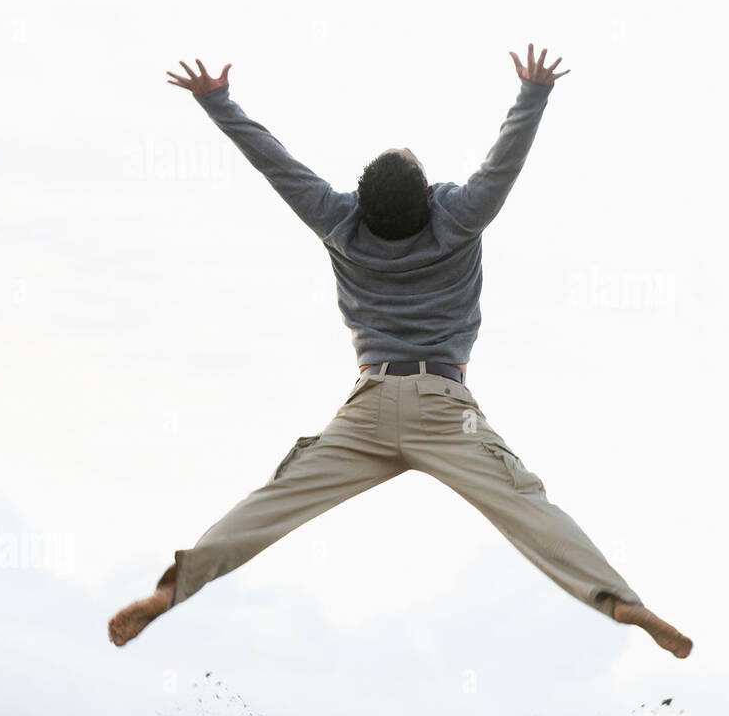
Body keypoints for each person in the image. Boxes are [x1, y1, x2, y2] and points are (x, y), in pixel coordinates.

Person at [107, 44, 692, 660]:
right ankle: (617, 599)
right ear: (428, 193)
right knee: (524, 505)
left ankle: (172, 593)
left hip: (368, 407)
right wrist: (533, 92)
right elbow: (503, 165)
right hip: (447, 409)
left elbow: (276, 165)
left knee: (273, 500)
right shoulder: (459, 219)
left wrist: (216, 101)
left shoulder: (337, 221)